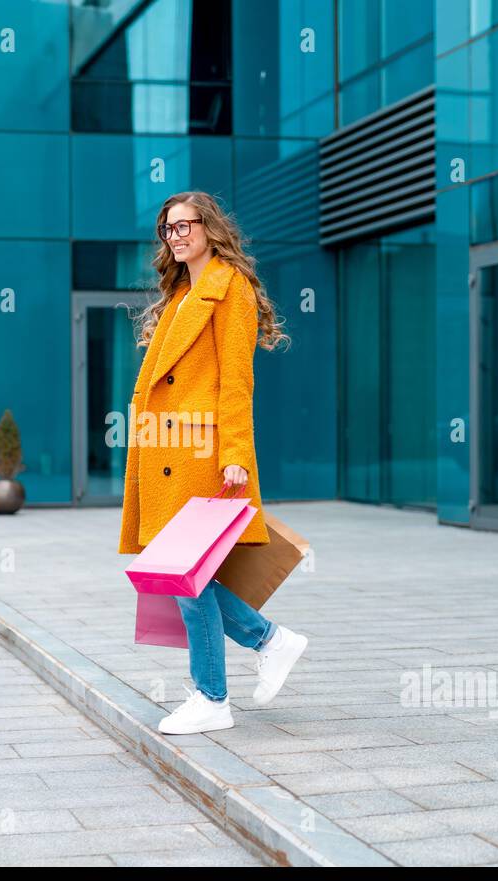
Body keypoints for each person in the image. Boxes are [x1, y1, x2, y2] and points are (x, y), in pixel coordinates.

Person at [118, 191, 308, 735]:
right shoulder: (180, 294)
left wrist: (235, 458)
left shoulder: (231, 290)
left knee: (186, 578)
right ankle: (269, 641)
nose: (175, 236)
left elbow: (235, 385)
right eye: (167, 229)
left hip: (201, 455)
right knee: (182, 576)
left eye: (184, 225)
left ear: (210, 228)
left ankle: (213, 696)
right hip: (165, 450)